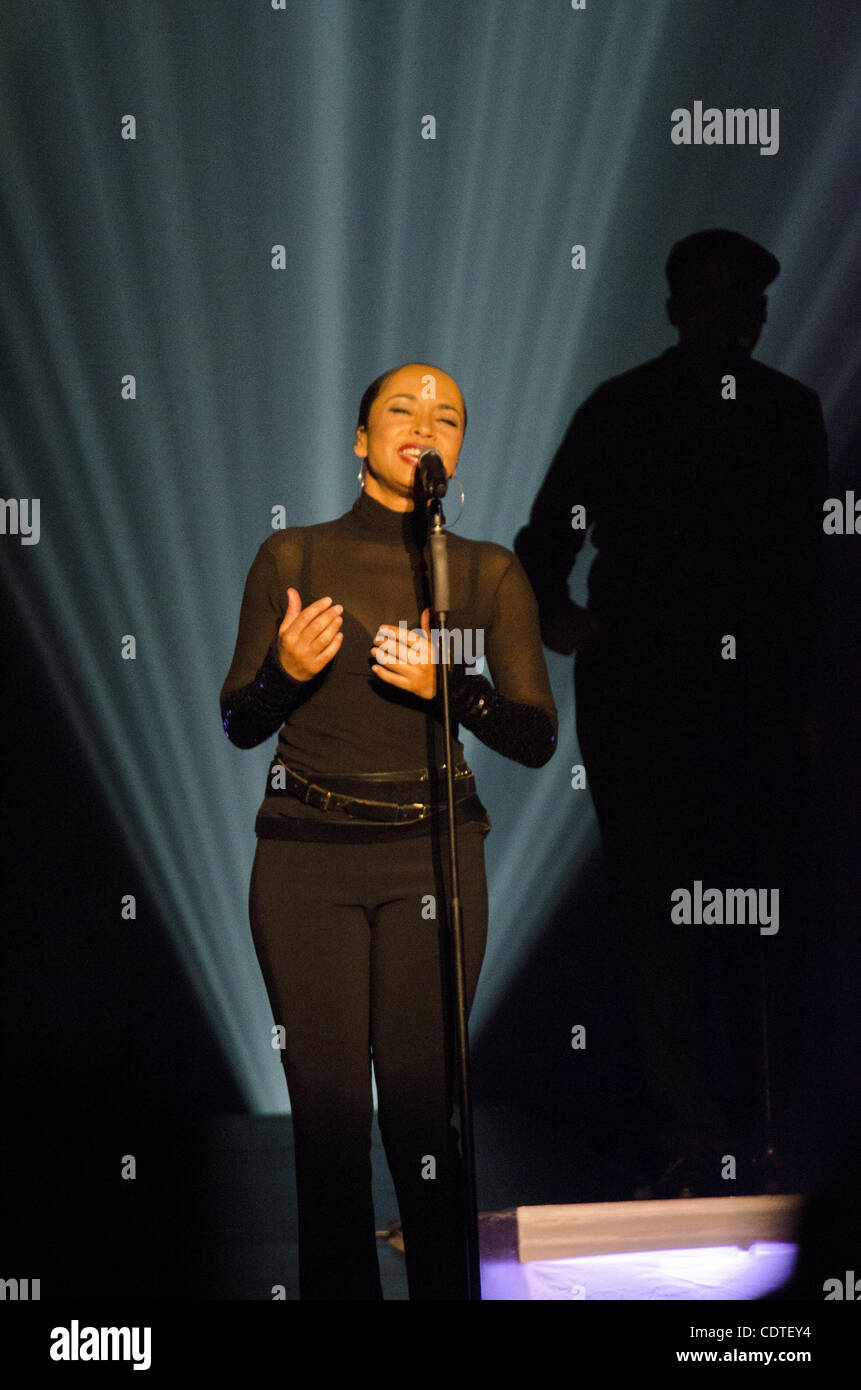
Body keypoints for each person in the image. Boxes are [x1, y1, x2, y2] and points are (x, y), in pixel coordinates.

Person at [220, 361, 557, 1298]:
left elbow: (535, 737)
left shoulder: (488, 570)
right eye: (401, 409)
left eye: (446, 415)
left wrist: (451, 690)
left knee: (421, 1116)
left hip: (434, 855)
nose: (425, 424)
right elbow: (238, 721)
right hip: (305, 860)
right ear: (362, 440)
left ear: (457, 450)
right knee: (327, 1122)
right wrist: (285, 673)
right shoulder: (293, 557)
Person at [514, 231, 827, 1198]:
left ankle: (723, 1133)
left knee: (694, 921)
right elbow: (546, 540)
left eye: (750, 302)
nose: (747, 318)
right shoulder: (757, 410)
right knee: (706, 918)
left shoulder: (695, 408)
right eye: (733, 300)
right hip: (690, 700)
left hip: (707, 700)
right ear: (688, 307)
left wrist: (569, 622)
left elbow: (546, 540)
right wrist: (567, 622)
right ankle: (733, 1133)